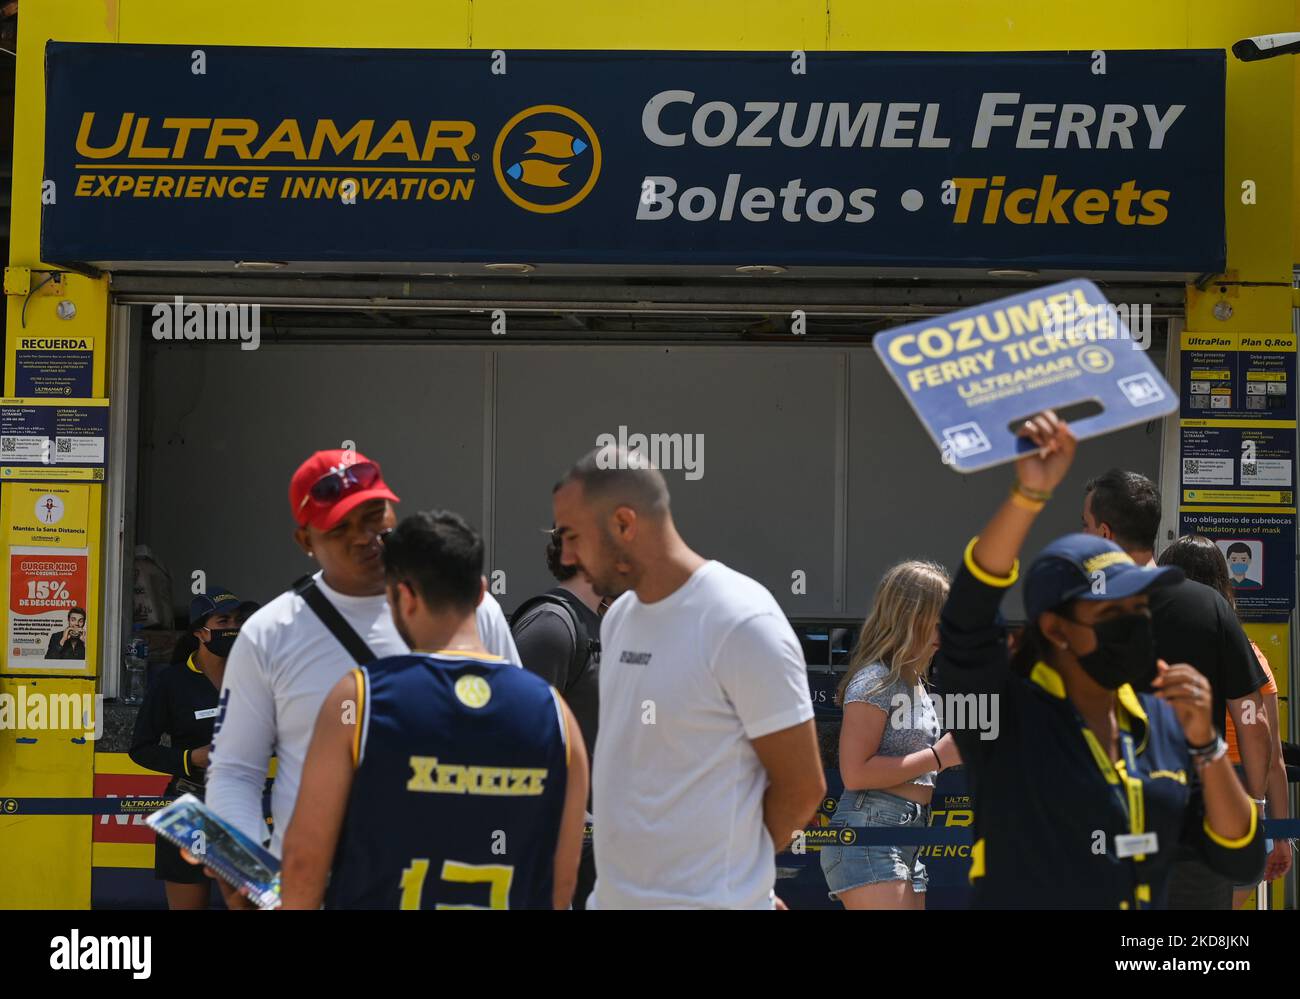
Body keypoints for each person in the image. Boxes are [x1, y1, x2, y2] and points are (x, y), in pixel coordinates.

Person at [941, 411, 1263, 908]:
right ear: (1056, 628)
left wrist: (1209, 748)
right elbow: (965, 621)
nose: (1134, 623)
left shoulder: (1163, 725)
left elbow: (1241, 859)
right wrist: (1029, 494)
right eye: (1113, 611)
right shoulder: (1007, 718)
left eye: (1139, 608)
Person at [204, 449, 520, 906]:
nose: (365, 539)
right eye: (340, 527)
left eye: (375, 518)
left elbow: (520, 735)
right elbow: (234, 771)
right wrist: (243, 870)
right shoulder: (269, 634)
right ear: (304, 539)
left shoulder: (467, 607)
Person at [552, 448, 825, 909]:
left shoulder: (741, 619)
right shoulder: (619, 619)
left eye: (572, 536)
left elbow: (803, 789)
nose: (566, 555)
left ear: (623, 523)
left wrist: (739, 882)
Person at [281, 510, 587, 909]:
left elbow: (304, 866)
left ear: (401, 595)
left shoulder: (358, 698)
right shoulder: (557, 715)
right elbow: (562, 883)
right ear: (481, 593)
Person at [1081, 468, 1270, 909]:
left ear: (1105, 534)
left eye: (1085, 528)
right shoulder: (1211, 606)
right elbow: (1252, 718)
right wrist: (1254, 806)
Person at [1157, 534, 1293, 902]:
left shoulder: (1154, 648)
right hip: (1244, 798)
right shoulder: (1251, 656)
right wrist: (1280, 834)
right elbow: (1275, 759)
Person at [821, 560, 958, 909]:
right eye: (939, 618)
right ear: (911, 617)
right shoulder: (875, 680)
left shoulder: (914, 683)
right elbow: (855, 773)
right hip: (870, 835)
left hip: (906, 837)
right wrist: (940, 757)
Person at [129, 587, 243, 910]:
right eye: (223, 620)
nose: (232, 627)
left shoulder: (255, 675)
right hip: (188, 804)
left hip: (244, 805)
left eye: (237, 619)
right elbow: (141, 748)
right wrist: (192, 758)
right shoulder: (172, 682)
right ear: (199, 632)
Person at [510, 525, 604, 909]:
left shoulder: (605, 622)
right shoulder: (552, 625)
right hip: (561, 861)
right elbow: (516, 745)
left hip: (603, 860)